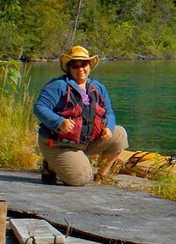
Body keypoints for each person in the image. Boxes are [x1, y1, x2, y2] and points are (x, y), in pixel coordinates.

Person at [33, 46, 128, 186]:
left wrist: (108, 126)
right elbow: (39, 107)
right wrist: (59, 122)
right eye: (75, 66)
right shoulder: (57, 86)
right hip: (59, 144)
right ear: (69, 68)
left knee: (119, 134)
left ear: (89, 66)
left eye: (84, 64)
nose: (80, 69)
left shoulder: (98, 87)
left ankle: (101, 175)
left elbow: (109, 112)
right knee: (81, 179)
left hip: (86, 141)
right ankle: (51, 165)